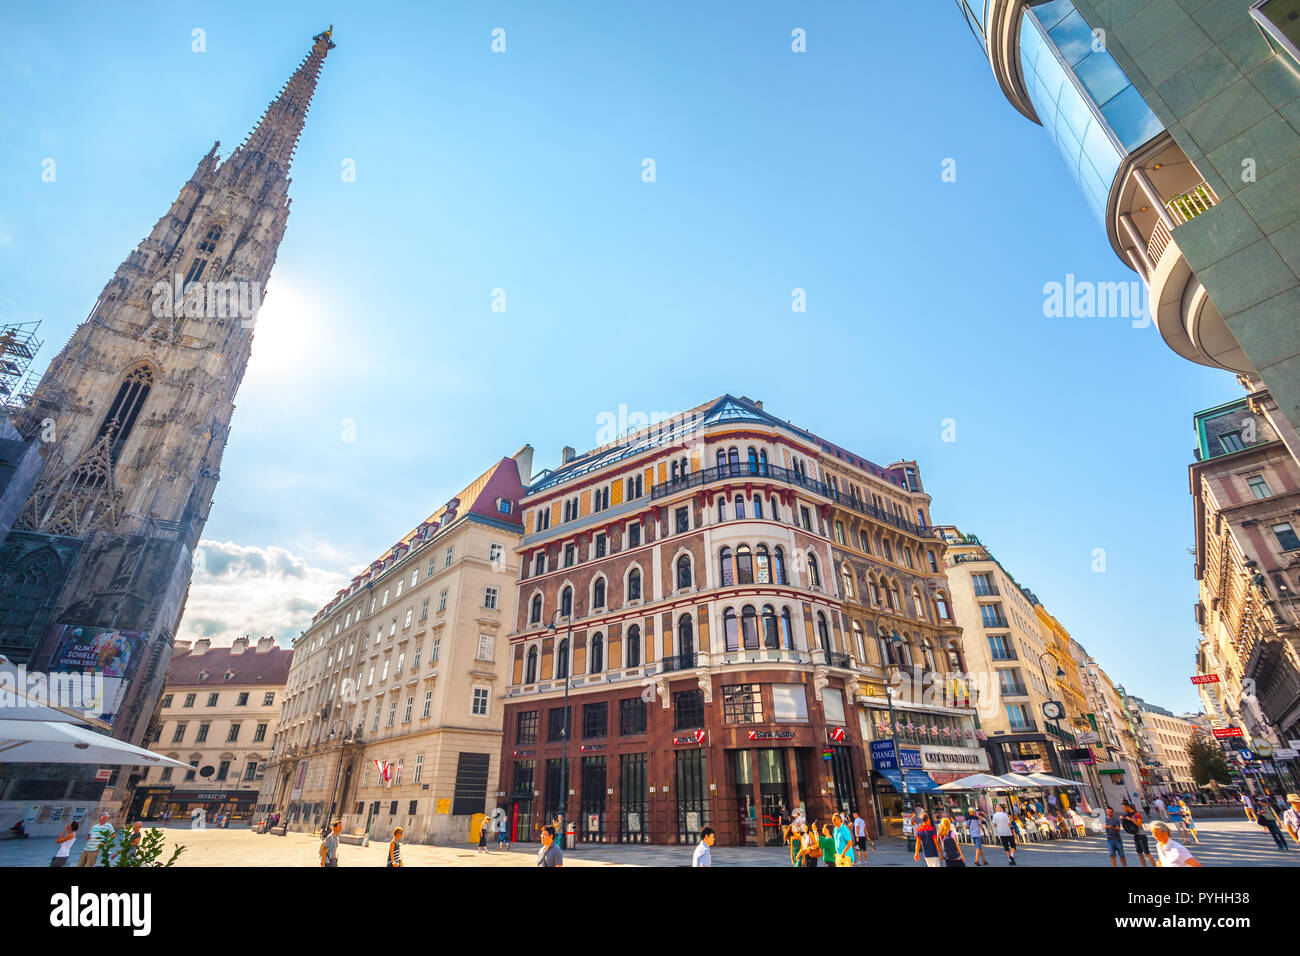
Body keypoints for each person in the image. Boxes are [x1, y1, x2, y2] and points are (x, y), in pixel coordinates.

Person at [1122, 802, 1154, 867]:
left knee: (1147, 853)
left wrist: (1131, 819)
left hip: (1142, 835)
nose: (1123, 809)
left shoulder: (1137, 814)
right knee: (1139, 854)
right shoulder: (1128, 815)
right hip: (1136, 836)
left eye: (1124, 807)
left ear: (1127, 806)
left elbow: (1140, 824)